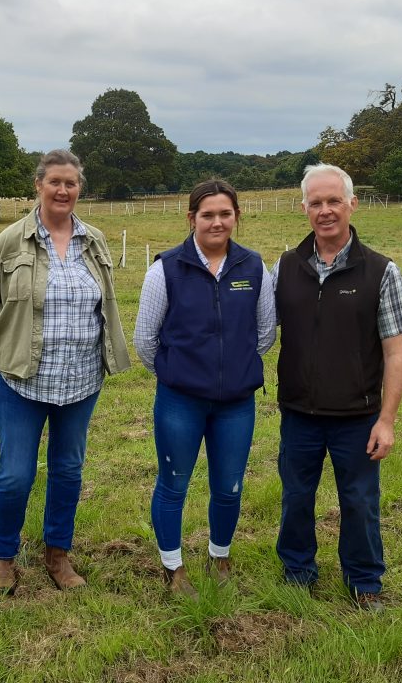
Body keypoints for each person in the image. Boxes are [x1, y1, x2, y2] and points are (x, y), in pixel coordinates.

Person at [0, 149, 131, 594]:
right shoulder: (9, 242)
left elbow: (106, 301)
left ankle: (57, 555)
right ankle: (3, 557)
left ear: (80, 189)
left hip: (81, 380)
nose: (63, 190)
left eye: (72, 183)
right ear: (38, 186)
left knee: (68, 470)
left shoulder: (94, 241)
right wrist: (16, 341)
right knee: (15, 474)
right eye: (55, 182)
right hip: (21, 379)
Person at [272, 163, 402, 612]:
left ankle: (365, 581)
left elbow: (395, 353)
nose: (325, 210)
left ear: (352, 204)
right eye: (315, 203)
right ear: (304, 209)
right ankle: (298, 571)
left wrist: (387, 421)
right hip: (299, 412)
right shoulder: (285, 268)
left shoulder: (381, 271)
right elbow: (256, 330)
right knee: (296, 496)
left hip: (358, 416)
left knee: (359, 502)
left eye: (334, 200)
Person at [134, 179, 276, 598]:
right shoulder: (165, 269)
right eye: (208, 214)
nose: (217, 222)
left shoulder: (254, 267)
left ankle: (220, 556)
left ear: (237, 217)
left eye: (225, 214)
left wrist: (234, 367)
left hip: (236, 404)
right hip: (180, 402)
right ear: (192, 217)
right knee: (173, 483)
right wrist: (178, 372)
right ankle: (173, 567)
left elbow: (265, 331)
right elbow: (145, 339)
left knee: (229, 486)